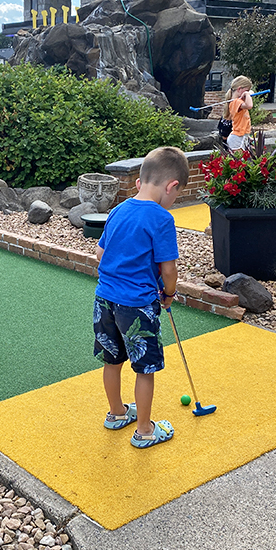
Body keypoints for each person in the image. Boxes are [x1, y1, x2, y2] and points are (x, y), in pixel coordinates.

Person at [94, 146, 189, 448]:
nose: (172, 202)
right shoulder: (161, 219)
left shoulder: (118, 210)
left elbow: (100, 254)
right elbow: (169, 269)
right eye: (176, 196)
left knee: (112, 360)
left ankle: (116, 413)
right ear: (171, 186)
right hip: (137, 304)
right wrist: (169, 293)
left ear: (139, 181)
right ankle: (145, 430)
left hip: (104, 299)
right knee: (144, 368)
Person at [224, 76, 253, 153]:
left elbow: (243, 123)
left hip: (241, 136)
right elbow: (249, 105)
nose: (248, 92)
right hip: (237, 138)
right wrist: (247, 94)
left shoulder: (238, 102)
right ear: (239, 89)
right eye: (246, 90)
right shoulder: (236, 102)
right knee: (238, 162)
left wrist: (247, 136)